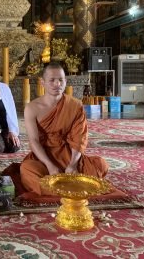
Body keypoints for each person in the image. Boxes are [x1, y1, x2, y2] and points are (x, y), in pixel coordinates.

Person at [20, 62, 109, 196]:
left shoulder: (75, 105)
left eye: (61, 80)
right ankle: (73, 189)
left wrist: (73, 164)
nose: (57, 84)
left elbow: (79, 138)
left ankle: (56, 188)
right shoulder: (32, 108)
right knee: (27, 169)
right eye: (52, 80)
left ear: (65, 82)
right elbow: (34, 141)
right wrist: (50, 166)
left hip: (69, 154)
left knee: (101, 164)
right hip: (44, 156)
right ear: (43, 83)